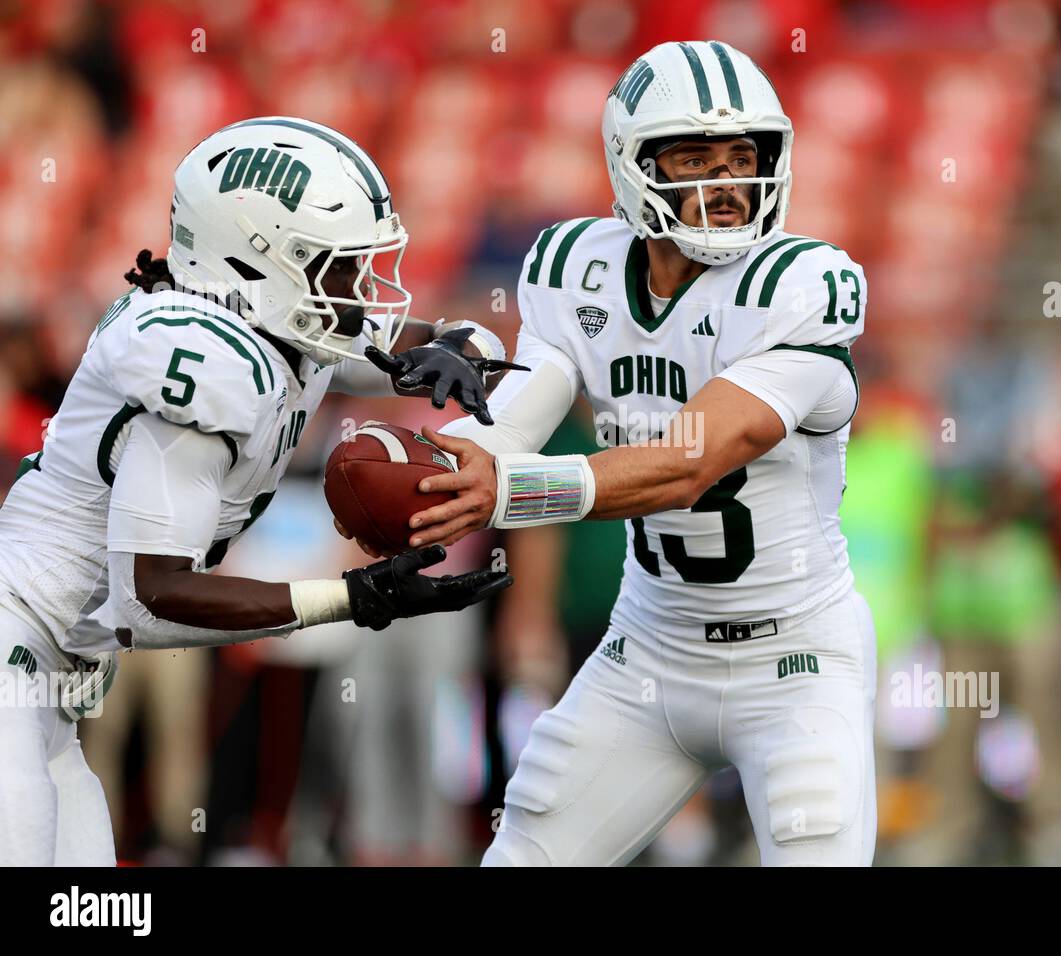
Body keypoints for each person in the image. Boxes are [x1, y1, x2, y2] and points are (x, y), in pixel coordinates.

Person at [395, 42, 876, 866]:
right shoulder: (573, 267)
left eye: (742, 158)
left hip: (796, 660)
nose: (727, 185)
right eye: (694, 158)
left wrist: (504, 493)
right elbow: (506, 428)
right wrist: (424, 467)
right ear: (632, 164)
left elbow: (690, 461)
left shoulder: (798, 285)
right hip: (647, 651)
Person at [0, 115, 514, 866]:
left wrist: (473, 346)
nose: (361, 290)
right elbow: (150, 599)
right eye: (338, 267)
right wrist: (352, 597)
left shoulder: (283, 327)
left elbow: (432, 340)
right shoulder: (203, 361)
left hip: (56, 678)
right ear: (257, 260)